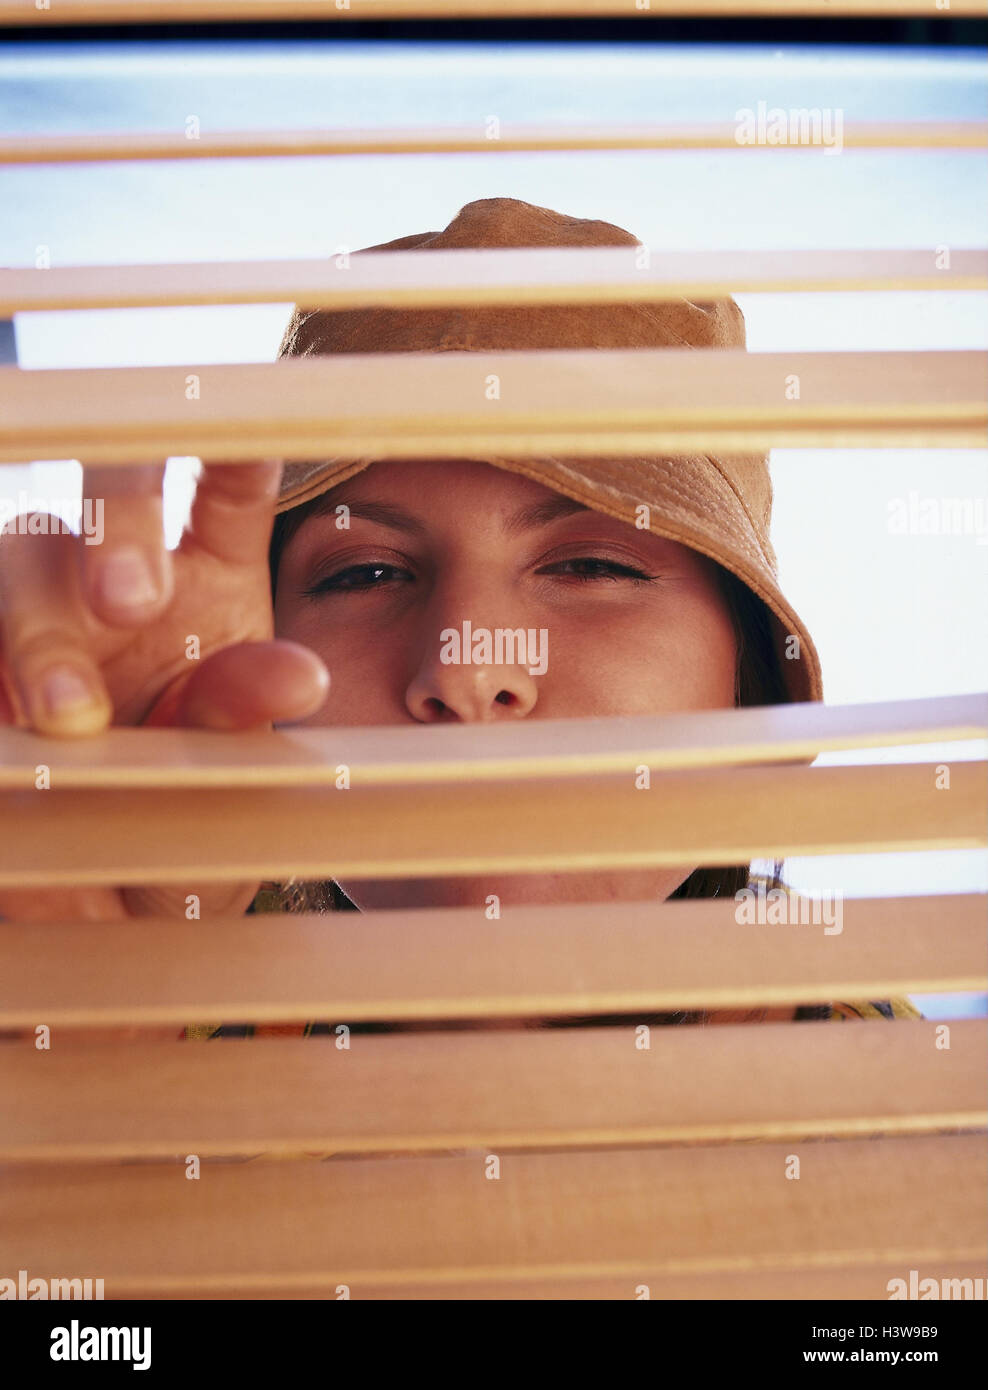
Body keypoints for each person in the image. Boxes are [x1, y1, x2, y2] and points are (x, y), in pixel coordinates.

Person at [0, 197, 918, 1037]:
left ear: (746, 681)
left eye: (593, 564)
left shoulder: (913, 1107)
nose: (469, 667)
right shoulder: (126, 1034)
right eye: (364, 572)